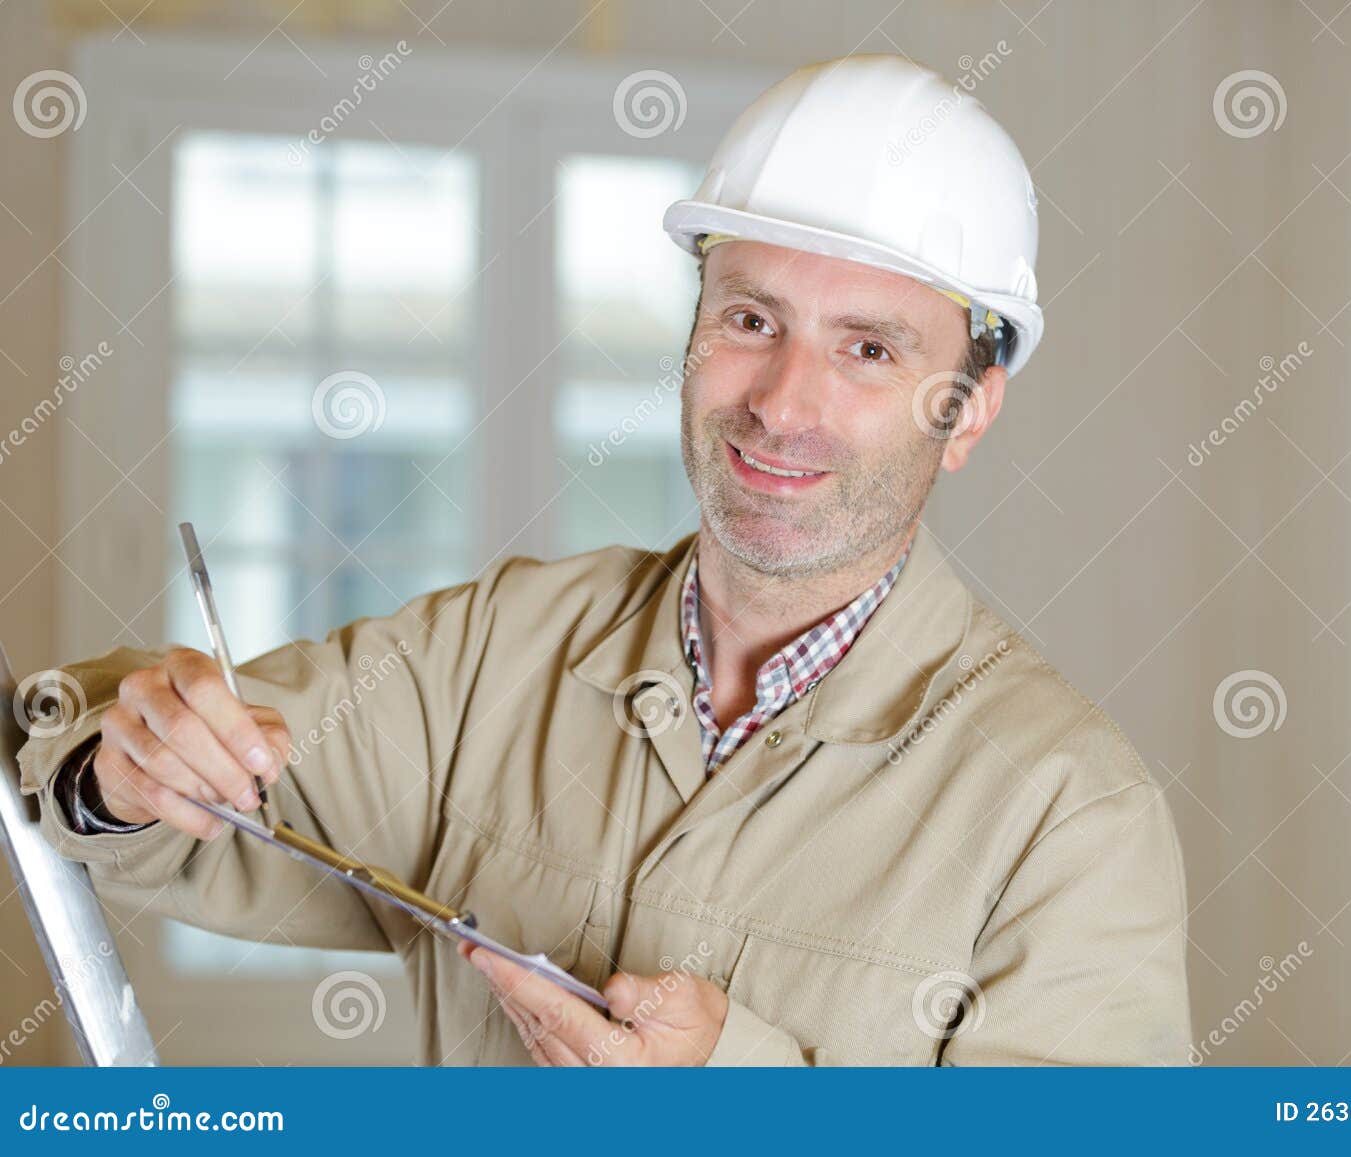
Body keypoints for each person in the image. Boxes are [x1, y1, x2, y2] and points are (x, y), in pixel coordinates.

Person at [17, 53, 1191, 1065]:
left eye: (869, 348)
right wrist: (125, 772)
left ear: (969, 409)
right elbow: (144, 780)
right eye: (750, 319)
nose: (783, 403)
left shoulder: (1067, 812)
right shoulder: (492, 654)